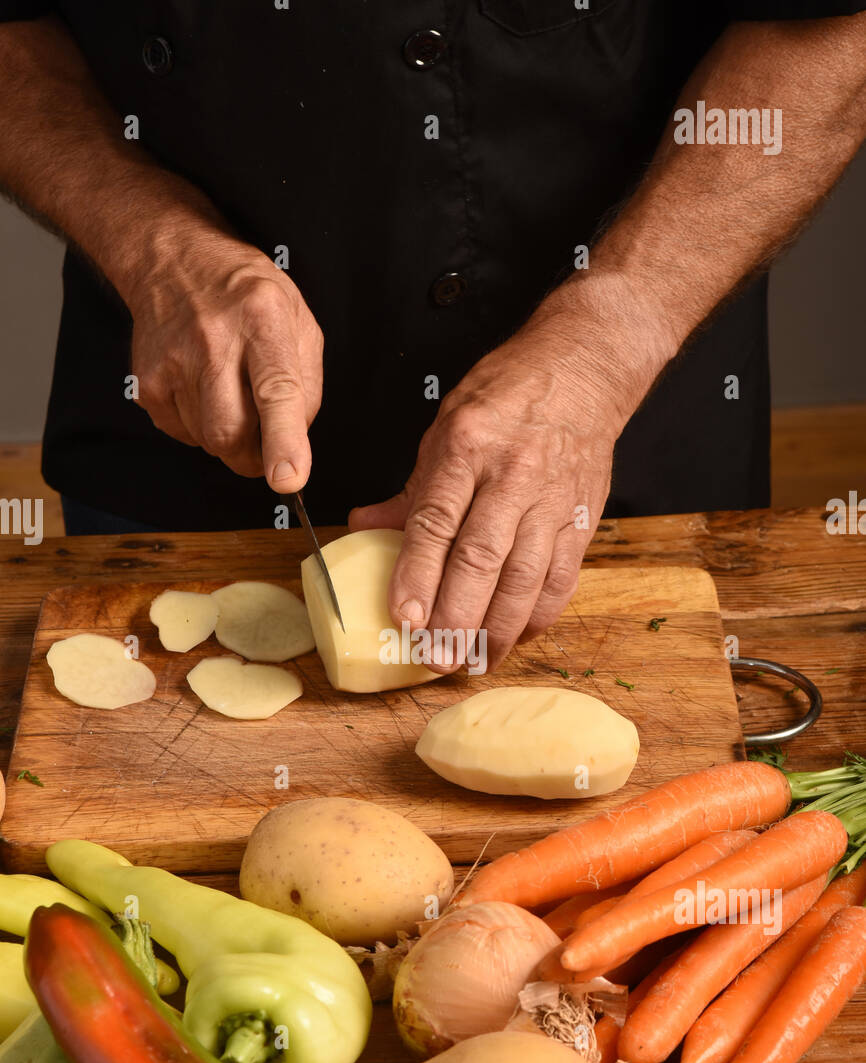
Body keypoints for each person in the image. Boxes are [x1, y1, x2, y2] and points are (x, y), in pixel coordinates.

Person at [1, 5, 865, 670]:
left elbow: (828, 33)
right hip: (180, 437)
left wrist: (605, 345)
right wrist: (149, 239)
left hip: (628, 416)